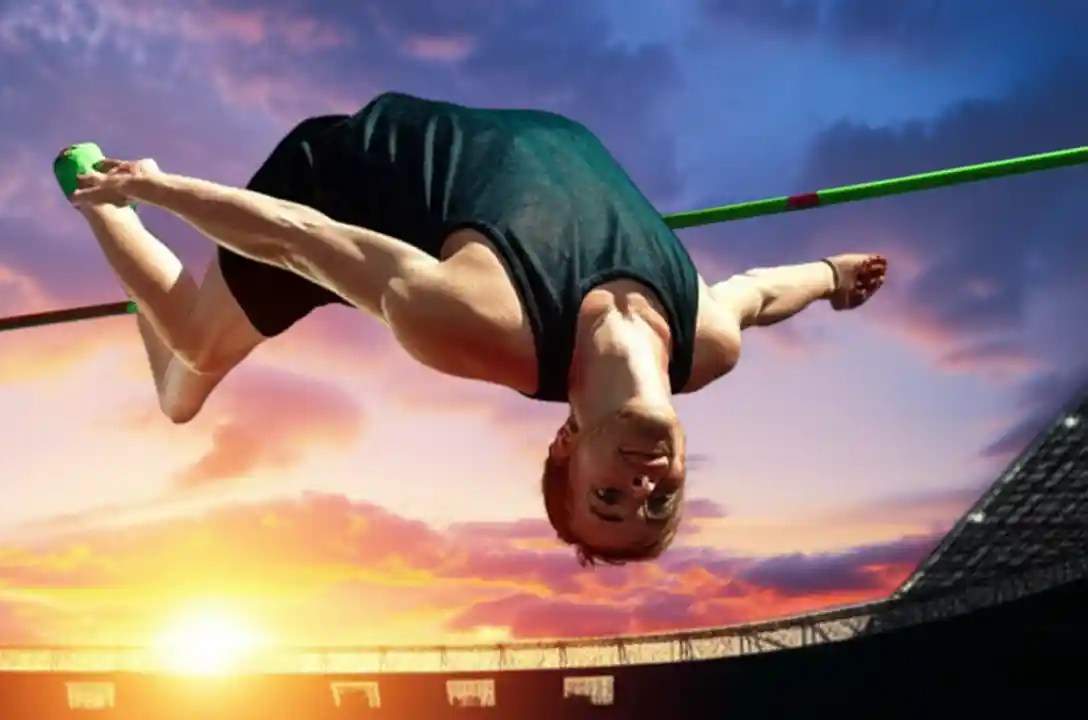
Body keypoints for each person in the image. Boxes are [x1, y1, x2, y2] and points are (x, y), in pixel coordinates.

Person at [55, 92, 887, 567]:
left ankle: (99, 190)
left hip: (346, 183)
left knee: (188, 374)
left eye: (609, 499)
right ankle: (143, 277)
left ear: (565, 443)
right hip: (490, 163)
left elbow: (296, 236)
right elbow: (760, 293)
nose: (643, 484)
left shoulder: (478, 329)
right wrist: (834, 278)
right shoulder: (708, 340)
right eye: (659, 501)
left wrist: (160, 191)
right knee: (183, 376)